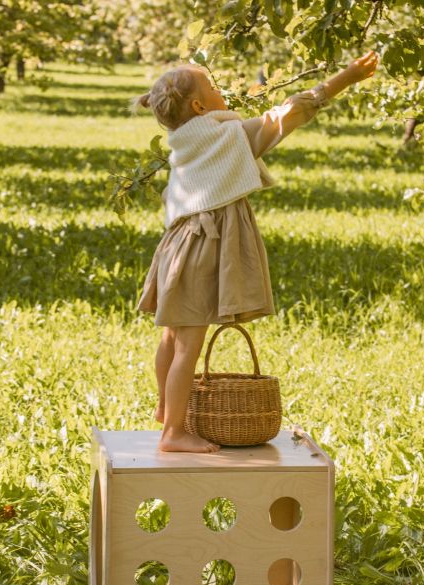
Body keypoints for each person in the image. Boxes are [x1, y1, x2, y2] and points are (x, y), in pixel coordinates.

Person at [135, 51, 379, 453]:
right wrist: (344, 78)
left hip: (176, 246)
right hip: (200, 246)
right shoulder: (230, 137)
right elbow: (289, 114)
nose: (219, 90)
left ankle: (166, 408)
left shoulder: (186, 143)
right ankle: (174, 433)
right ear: (199, 106)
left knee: (171, 336)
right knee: (186, 345)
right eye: (211, 87)